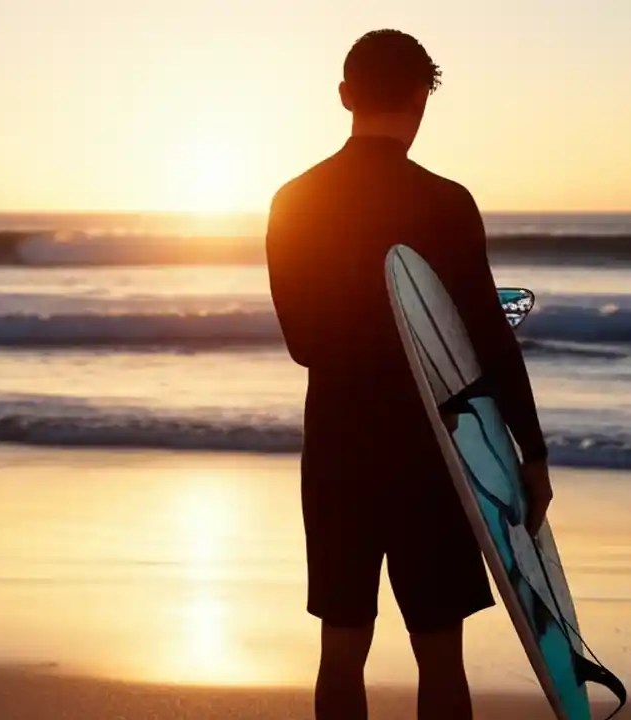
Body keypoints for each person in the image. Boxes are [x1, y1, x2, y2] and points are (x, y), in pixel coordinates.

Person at [265, 29, 553, 720]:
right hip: (435, 451)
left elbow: (303, 343)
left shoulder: (294, 200)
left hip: (338, 449)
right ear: (423, 97)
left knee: (341, 647)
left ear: (344, 96)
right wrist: (531, 451)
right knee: (439, 651)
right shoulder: (446, 202)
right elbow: (488, 341)